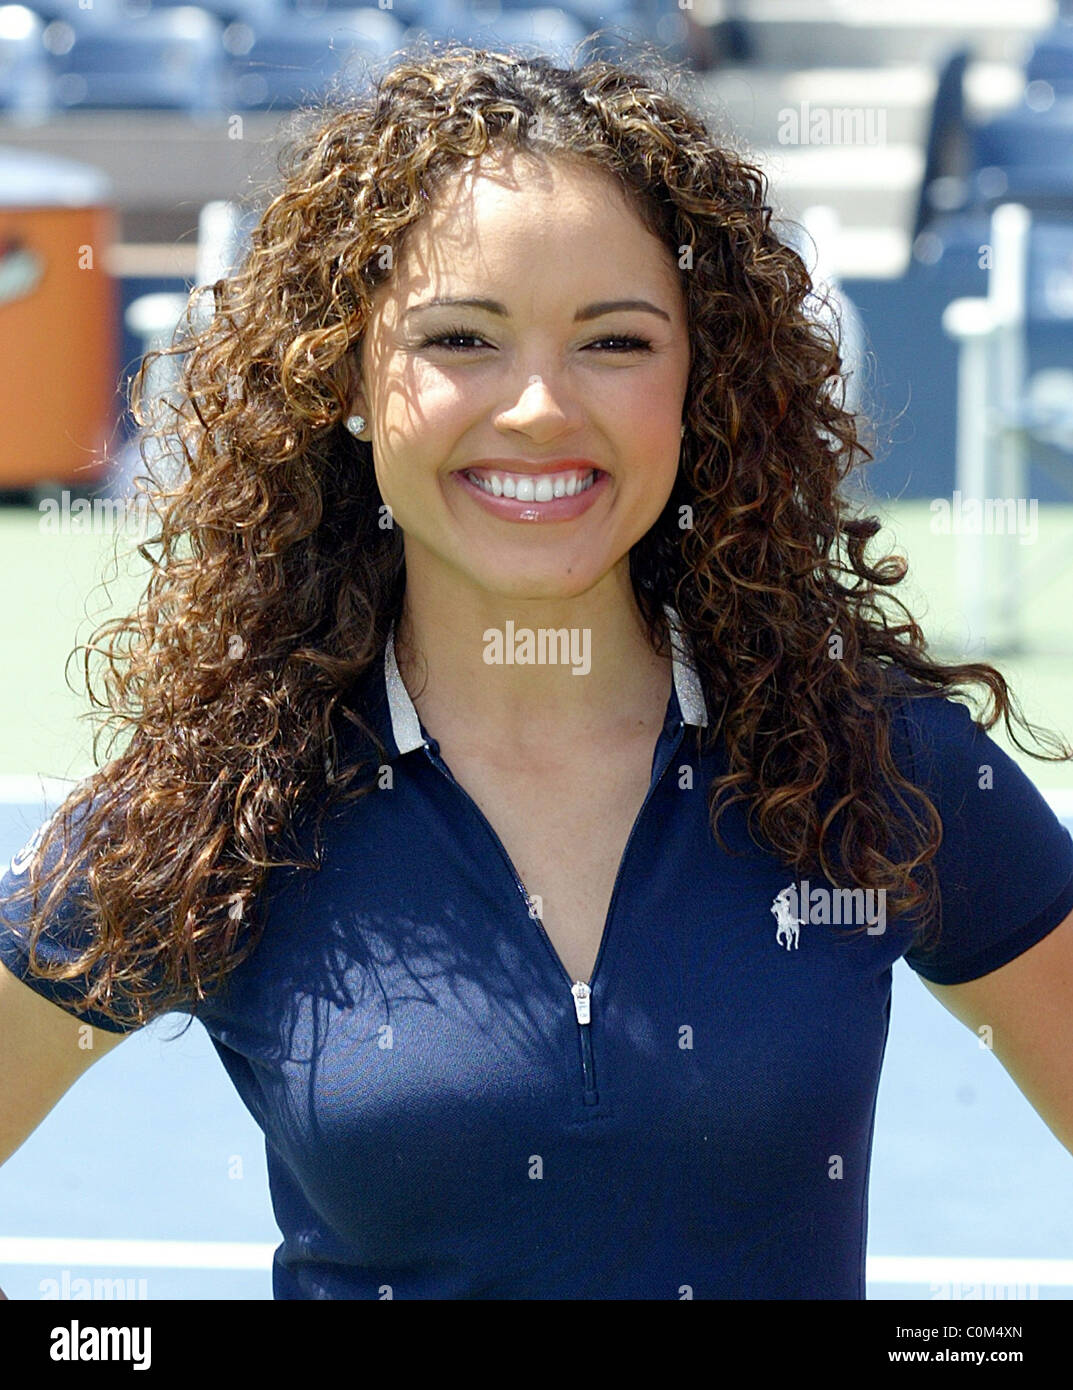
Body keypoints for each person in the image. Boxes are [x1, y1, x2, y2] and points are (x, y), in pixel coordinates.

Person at [2, 42, 1072, 1301]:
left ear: (700, 380)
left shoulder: (878, 763)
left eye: (612, 343)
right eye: (462, 338)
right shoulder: (223, 805)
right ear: (345, 380)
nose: (537, 409)